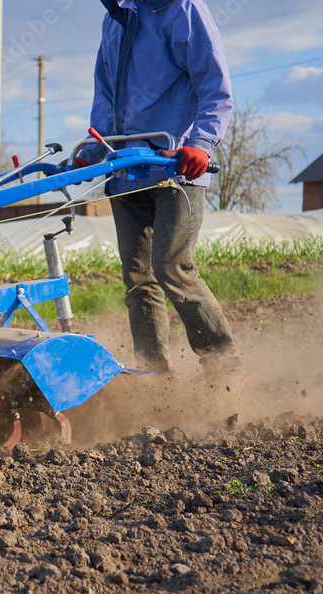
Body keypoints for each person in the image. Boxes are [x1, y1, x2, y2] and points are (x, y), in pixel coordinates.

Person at [78, 0, 245, 393]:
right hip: (124, 168)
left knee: (172, 267)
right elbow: (106, 97)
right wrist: (91, 150)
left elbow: (215, 85)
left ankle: (226, 369)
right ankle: (157, 386)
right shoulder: (114, 20)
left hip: (176, 165)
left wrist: (203, 142)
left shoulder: (181, 8)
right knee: (138, 282)